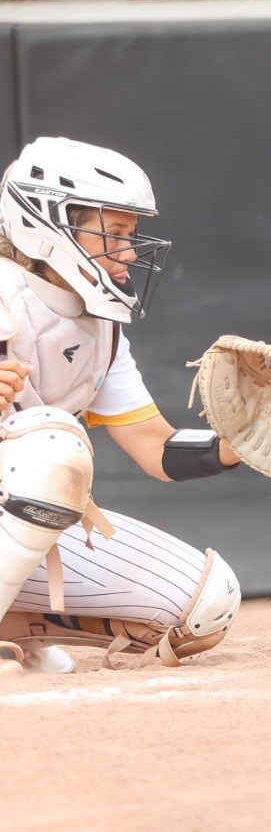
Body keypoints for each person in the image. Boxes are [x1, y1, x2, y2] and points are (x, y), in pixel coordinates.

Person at [0, 137, 242, 675]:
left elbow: (158, 448)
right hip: (20, 490)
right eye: (113, 234)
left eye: (130, 236)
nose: (130, 253)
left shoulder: (100, 327)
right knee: (50, 449)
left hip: (16, 516)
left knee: (205, 603)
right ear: (47, 223)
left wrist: (238, 444)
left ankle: (12, 632)